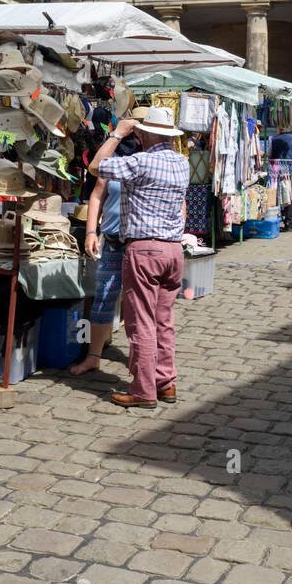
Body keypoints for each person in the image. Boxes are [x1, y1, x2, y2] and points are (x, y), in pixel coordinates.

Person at [90, 105, 189, 409]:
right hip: (173, 250)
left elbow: (96, 166)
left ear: (145, 133)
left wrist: (117, 134)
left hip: (144, 249)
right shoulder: (182, 162)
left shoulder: (141, 162)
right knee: (164, 321)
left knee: (141, 322)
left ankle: (143, 390)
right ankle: (166, 384)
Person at [68, 172, 126, 376]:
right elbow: (97, 191)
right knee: (103, 299)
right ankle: (94, 356)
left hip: (142, 242)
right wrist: (91, 231)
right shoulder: (114, 158)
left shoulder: (155, 155)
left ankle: (141, 358)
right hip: (112, 241)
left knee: (139, 303)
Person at [267, 128, 292, 229]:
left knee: (280, 194)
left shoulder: (273, 139)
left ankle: (279, 218)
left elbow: (269, 154)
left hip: (279, 170)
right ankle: (289, 221)